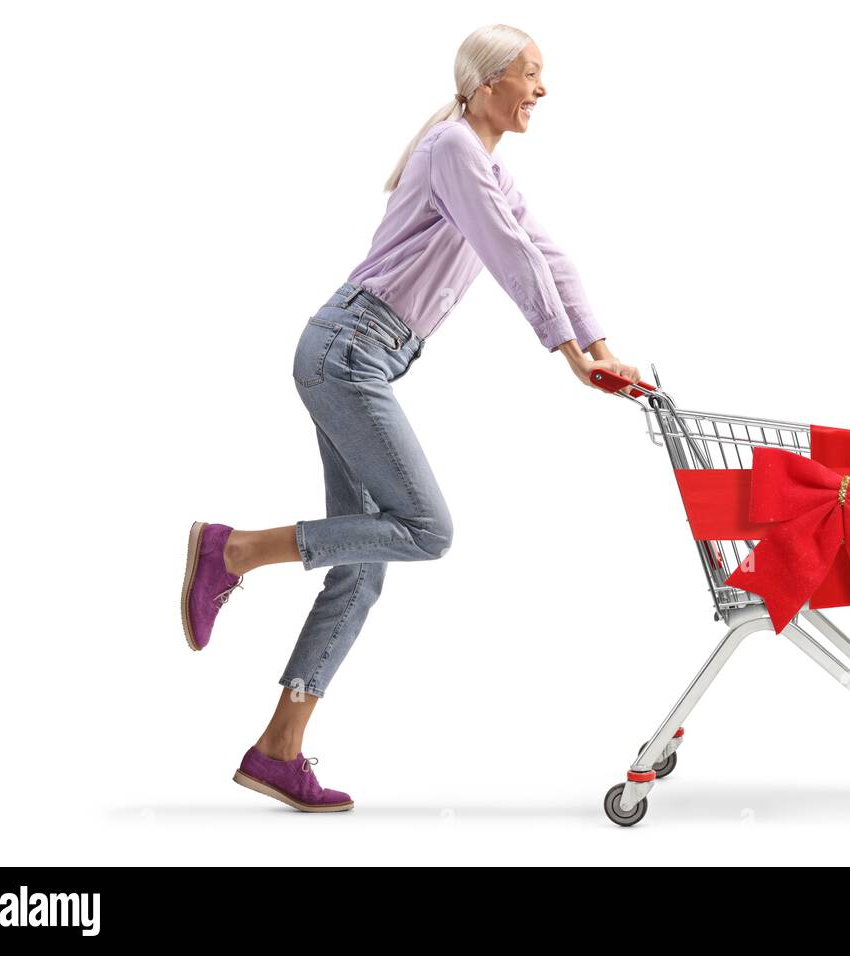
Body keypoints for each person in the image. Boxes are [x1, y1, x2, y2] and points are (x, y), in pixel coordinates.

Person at [179, 24, 641, 812]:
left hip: (362, 354)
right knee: (427, 528)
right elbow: (508, 255)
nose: (542, 89)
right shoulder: (455, 148)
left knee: (363, 569)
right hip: (349, 350)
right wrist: (569, 357)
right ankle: (237, 550)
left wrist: (601, 345)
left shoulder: (485, 164)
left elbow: (547, 253)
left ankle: (277, 748)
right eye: (531, 74)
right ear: (489, 79)